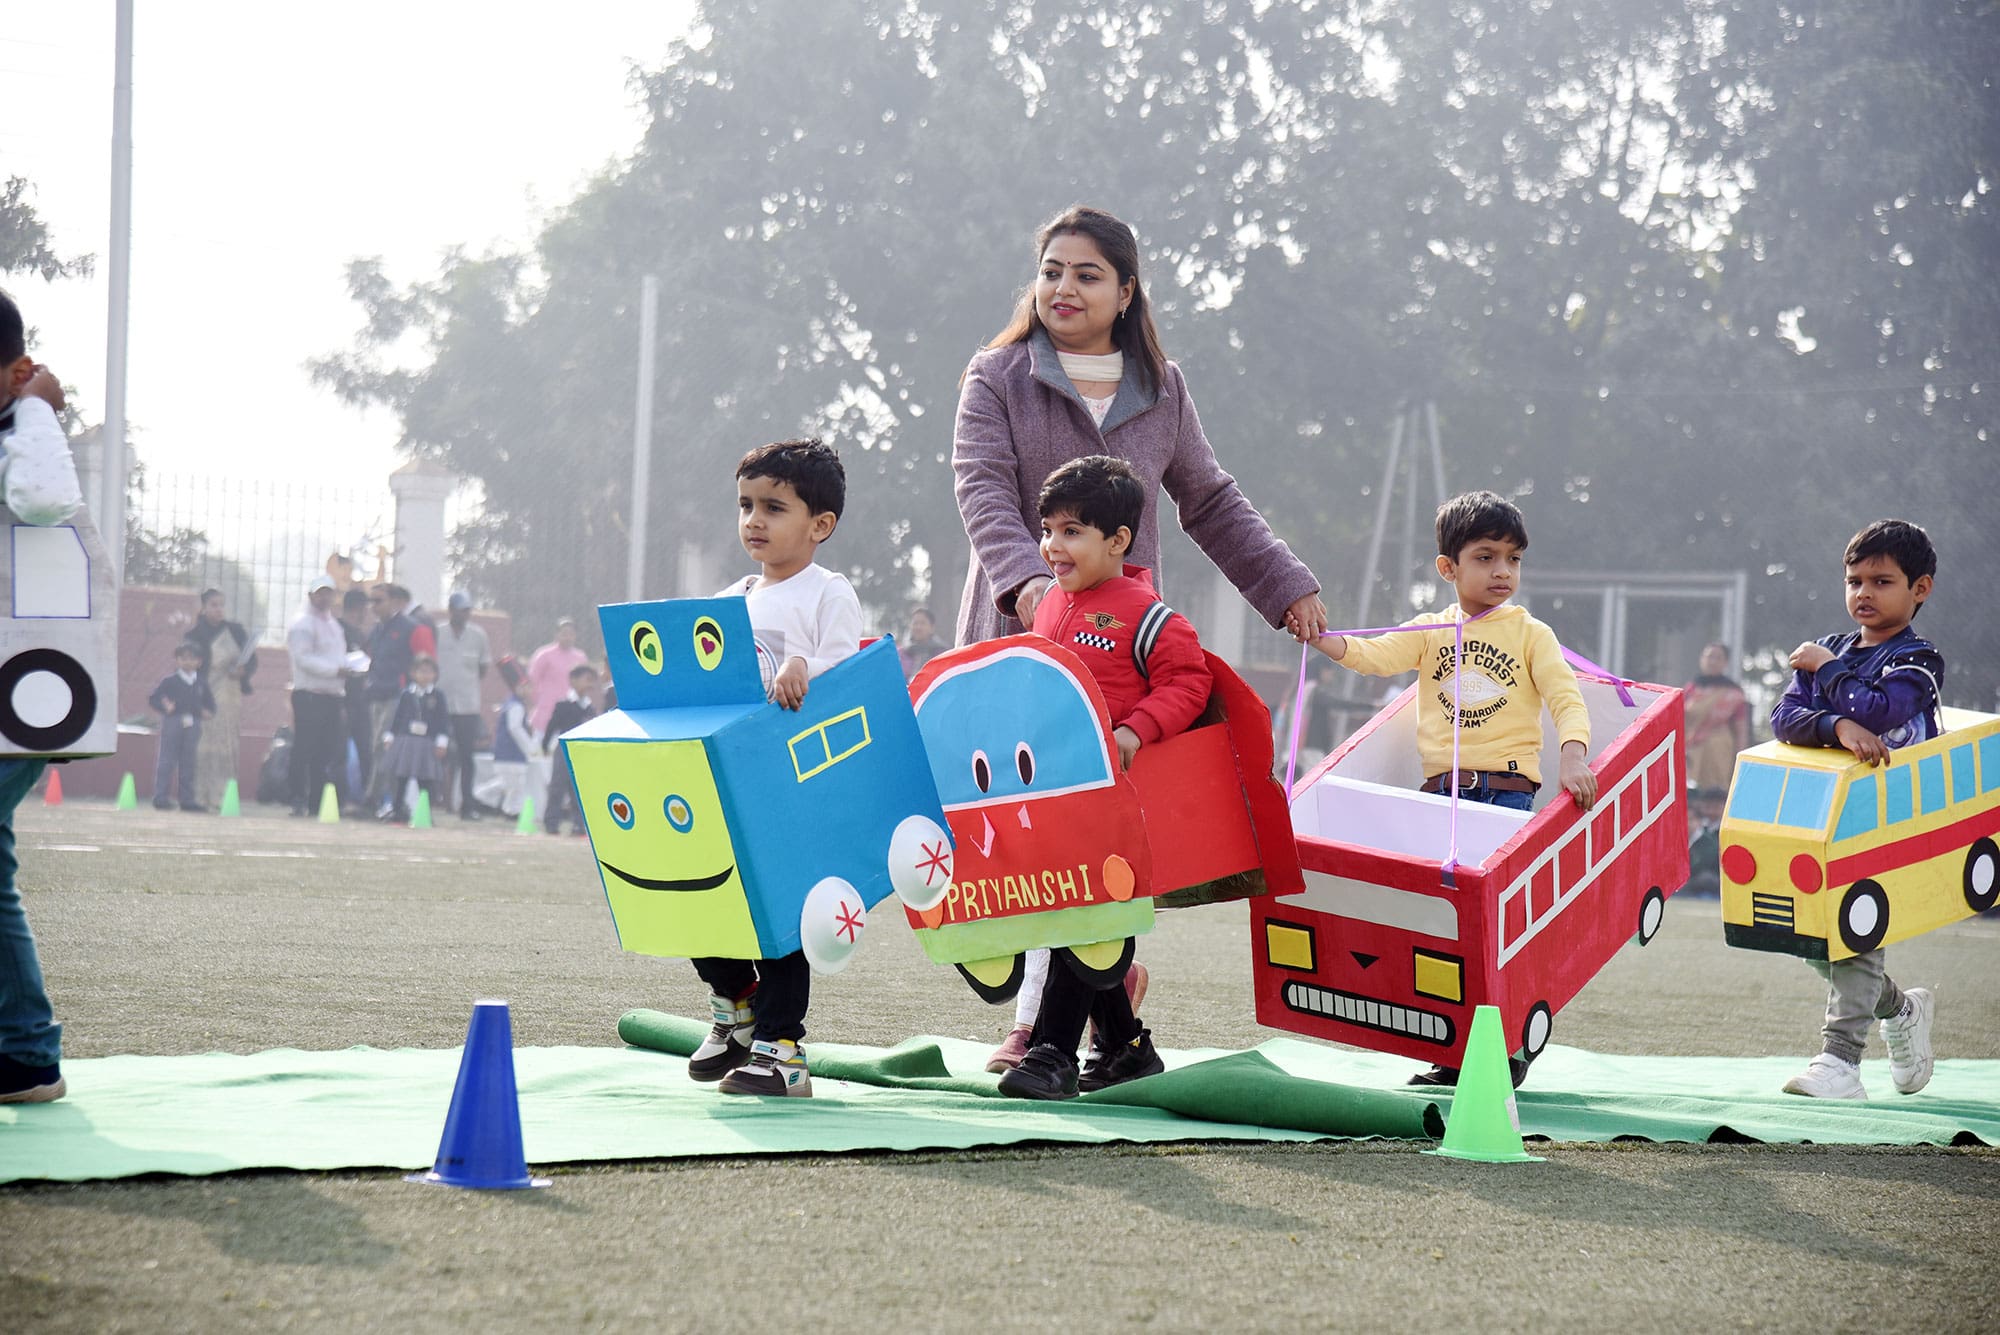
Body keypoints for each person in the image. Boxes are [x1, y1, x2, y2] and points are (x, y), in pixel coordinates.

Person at [954, 205, 1327, 1073]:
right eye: (1051, 270)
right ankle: (1108, 1010)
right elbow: (981, 490)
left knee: (1089, 826)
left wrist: (1286, 586)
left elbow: (1210, 499)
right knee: (1024, 827)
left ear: (1126, 292)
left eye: (1087, 274)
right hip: (1021, 632)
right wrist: (1031, 582)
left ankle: (1048, 1023)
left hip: (1123, 654)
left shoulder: (1162, 386)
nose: (1064, 288)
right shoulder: (997, 374)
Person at [1312, 490, 1596, 1087]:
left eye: (1513, 560)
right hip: (1440, 800)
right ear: (1449, 568)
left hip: (1506, 796)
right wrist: (1319, 636)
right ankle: (1453, 1050)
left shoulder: (1530, 633)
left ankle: (1510, 1042)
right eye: (1486, 557)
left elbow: (1567, 699)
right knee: (1446, 929)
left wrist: (1572, 758)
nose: (1502, 572)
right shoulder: (1429, 630)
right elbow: (1371, 656)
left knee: (1496, 925)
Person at [996, 457, 1208, 1100]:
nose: (1053, 547)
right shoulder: (1051, 604)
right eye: (1049, 529)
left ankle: (1052, 1053)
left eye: (1072, 532)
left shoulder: (1148, 616)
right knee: (1073, 918)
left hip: (1115, 808)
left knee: (1082, 924)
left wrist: (1133, 730)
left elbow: (1191, 682)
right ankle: (1125, 1049)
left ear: (1118, 541)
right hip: (1053, 799)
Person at [684, 438, 861, 1100]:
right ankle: (735, 1004)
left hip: (795, 786)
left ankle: (783, 1052)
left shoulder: (827, 593)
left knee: (783, 919)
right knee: (702, 898)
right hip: (731, 782)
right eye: (745, 505)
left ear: (820, 526)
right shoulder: (731, 597)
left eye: (773, 507)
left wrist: (802, 666)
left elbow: (847, 670)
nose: (753, 519)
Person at [1770, 519, 1942, 1100]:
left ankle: (1840, 1061)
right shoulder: (1834, 648)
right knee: (1814, 935)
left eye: (1881, 581)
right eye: (1853, 580)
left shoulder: (1918, 660)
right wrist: (1837, 724)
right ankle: (1899, 1009)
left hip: (1891, 815)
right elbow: (1784, 718)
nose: (1863, 593)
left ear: (1920, 589)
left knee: (1857, 927)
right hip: (1819, 813)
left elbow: (1881, 710)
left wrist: (1829, 678)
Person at [0, 286, 83, 1102]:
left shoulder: (28, 436)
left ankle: (26, 1051)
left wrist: (36, 411)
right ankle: (22, 1049)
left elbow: (45, 501)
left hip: (18, 687)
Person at [286, 575, 352, 816]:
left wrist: (350, 668)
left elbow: (339, 656)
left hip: (332, 695)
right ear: (311, 595)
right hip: (310, 695)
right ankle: (296, 798)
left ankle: (317, 801)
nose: (325, 598)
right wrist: (335, 670)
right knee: (304, 748)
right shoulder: (302, 624)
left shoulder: (334, 625)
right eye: (320, 593)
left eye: (329, 593)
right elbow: (303, 660)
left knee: (327, 751)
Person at [187, 587, 257, 809]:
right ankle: (200, 796)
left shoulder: (235, 631)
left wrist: (243, 671)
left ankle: (224, 796)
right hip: (203, 696)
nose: (218, 610)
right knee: (201, 745)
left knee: (227, 744)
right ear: (203, 608)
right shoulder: (194, 635)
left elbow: (251, 659)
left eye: (221, 605)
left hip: (230, 696)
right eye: (213, 605)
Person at [362, 584, 422, 808]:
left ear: (394, 602)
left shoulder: (409, 628)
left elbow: (423, 662)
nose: (374, 606)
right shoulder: (376, 631)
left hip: (398, 695)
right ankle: (387, 800)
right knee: (377, 746)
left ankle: (377, 797)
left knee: (384, 745)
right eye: (372, 601)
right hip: (377, 694)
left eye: (379, 601)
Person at [436, 590, 493, 818]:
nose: (464, 614)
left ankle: (467, 805)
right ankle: (433, 801)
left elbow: (483, 667)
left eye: (467, 610)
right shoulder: (438, 632)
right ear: (451, 610)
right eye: (460, 609)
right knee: (436, 753)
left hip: (467, 705)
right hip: (440, 702)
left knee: (466, 756)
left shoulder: (478, 635)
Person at [377, 653, 451, 823]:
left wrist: (442, 742)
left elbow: (443, 721)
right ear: (413, 673)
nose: (425, 675)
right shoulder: (406, 694)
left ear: (435, 674)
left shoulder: (437, 696)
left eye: (429, 671)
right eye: (421, 671)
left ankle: (424, 812)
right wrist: (390, 736)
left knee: (425, 780)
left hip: (427, 742)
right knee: (401, 778)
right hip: (407, 740)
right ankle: (397, 811)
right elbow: (397, 718)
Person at [147, 640, 215, 812]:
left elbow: (211, 704)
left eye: (192, 659)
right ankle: (160, 797)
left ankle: (187, 799)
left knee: (189, 761)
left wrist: (208, 712)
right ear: (177, 660)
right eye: (183, 658)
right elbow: (154, 698)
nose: (187, 662)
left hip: (193, 723)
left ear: (199, 662)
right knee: (167, 760)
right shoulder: (170, 681)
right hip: (173, 722)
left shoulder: (201, 682)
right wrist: (165, 707)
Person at [539, 662, 600, 835]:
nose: (589, 684)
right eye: (586, 679)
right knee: (557, 786)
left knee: (578, 789)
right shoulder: (564, 704)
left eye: (591, 680)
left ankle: (579, 824)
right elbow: (552, 725)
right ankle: (551, 822)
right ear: (573, 681)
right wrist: (545, 743)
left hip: (581, 751)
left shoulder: (590, 707)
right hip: (564, 749)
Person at [1685, 641, 1751, 793]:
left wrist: (1740, 760)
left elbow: (1741, 730)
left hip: (1718, 752)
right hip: (1690, 750)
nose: (1712, 661)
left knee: (1714, 793)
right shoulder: (1691, 688)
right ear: (1701, 659)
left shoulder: (1733, 692)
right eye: (1709, 657)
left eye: (1718, 658)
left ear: (1725, 662)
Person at [475, 663, 535, 819]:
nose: (529, 690)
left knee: (509, 783)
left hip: (508, 752)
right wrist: (529, 747)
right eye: (525, 686)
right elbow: (515, 729)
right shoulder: (515, 706)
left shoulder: (513, 704)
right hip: (511, 752)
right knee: (514, 784)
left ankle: (499, 804)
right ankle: (509, 809)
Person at [338, 587, 374, 801]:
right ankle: (339, 797)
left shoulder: (361, 635)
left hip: (361, 701)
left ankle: (367, 798)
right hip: (343, 699)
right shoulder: (337, 631)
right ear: (357, 608)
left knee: (365, 750)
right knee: (338, 751)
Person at [898, 606, 950, 681]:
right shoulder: (902, 654)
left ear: (932, 628)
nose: (918, 627)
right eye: (915, 623)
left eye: (923, 623)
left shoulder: (941, 653)